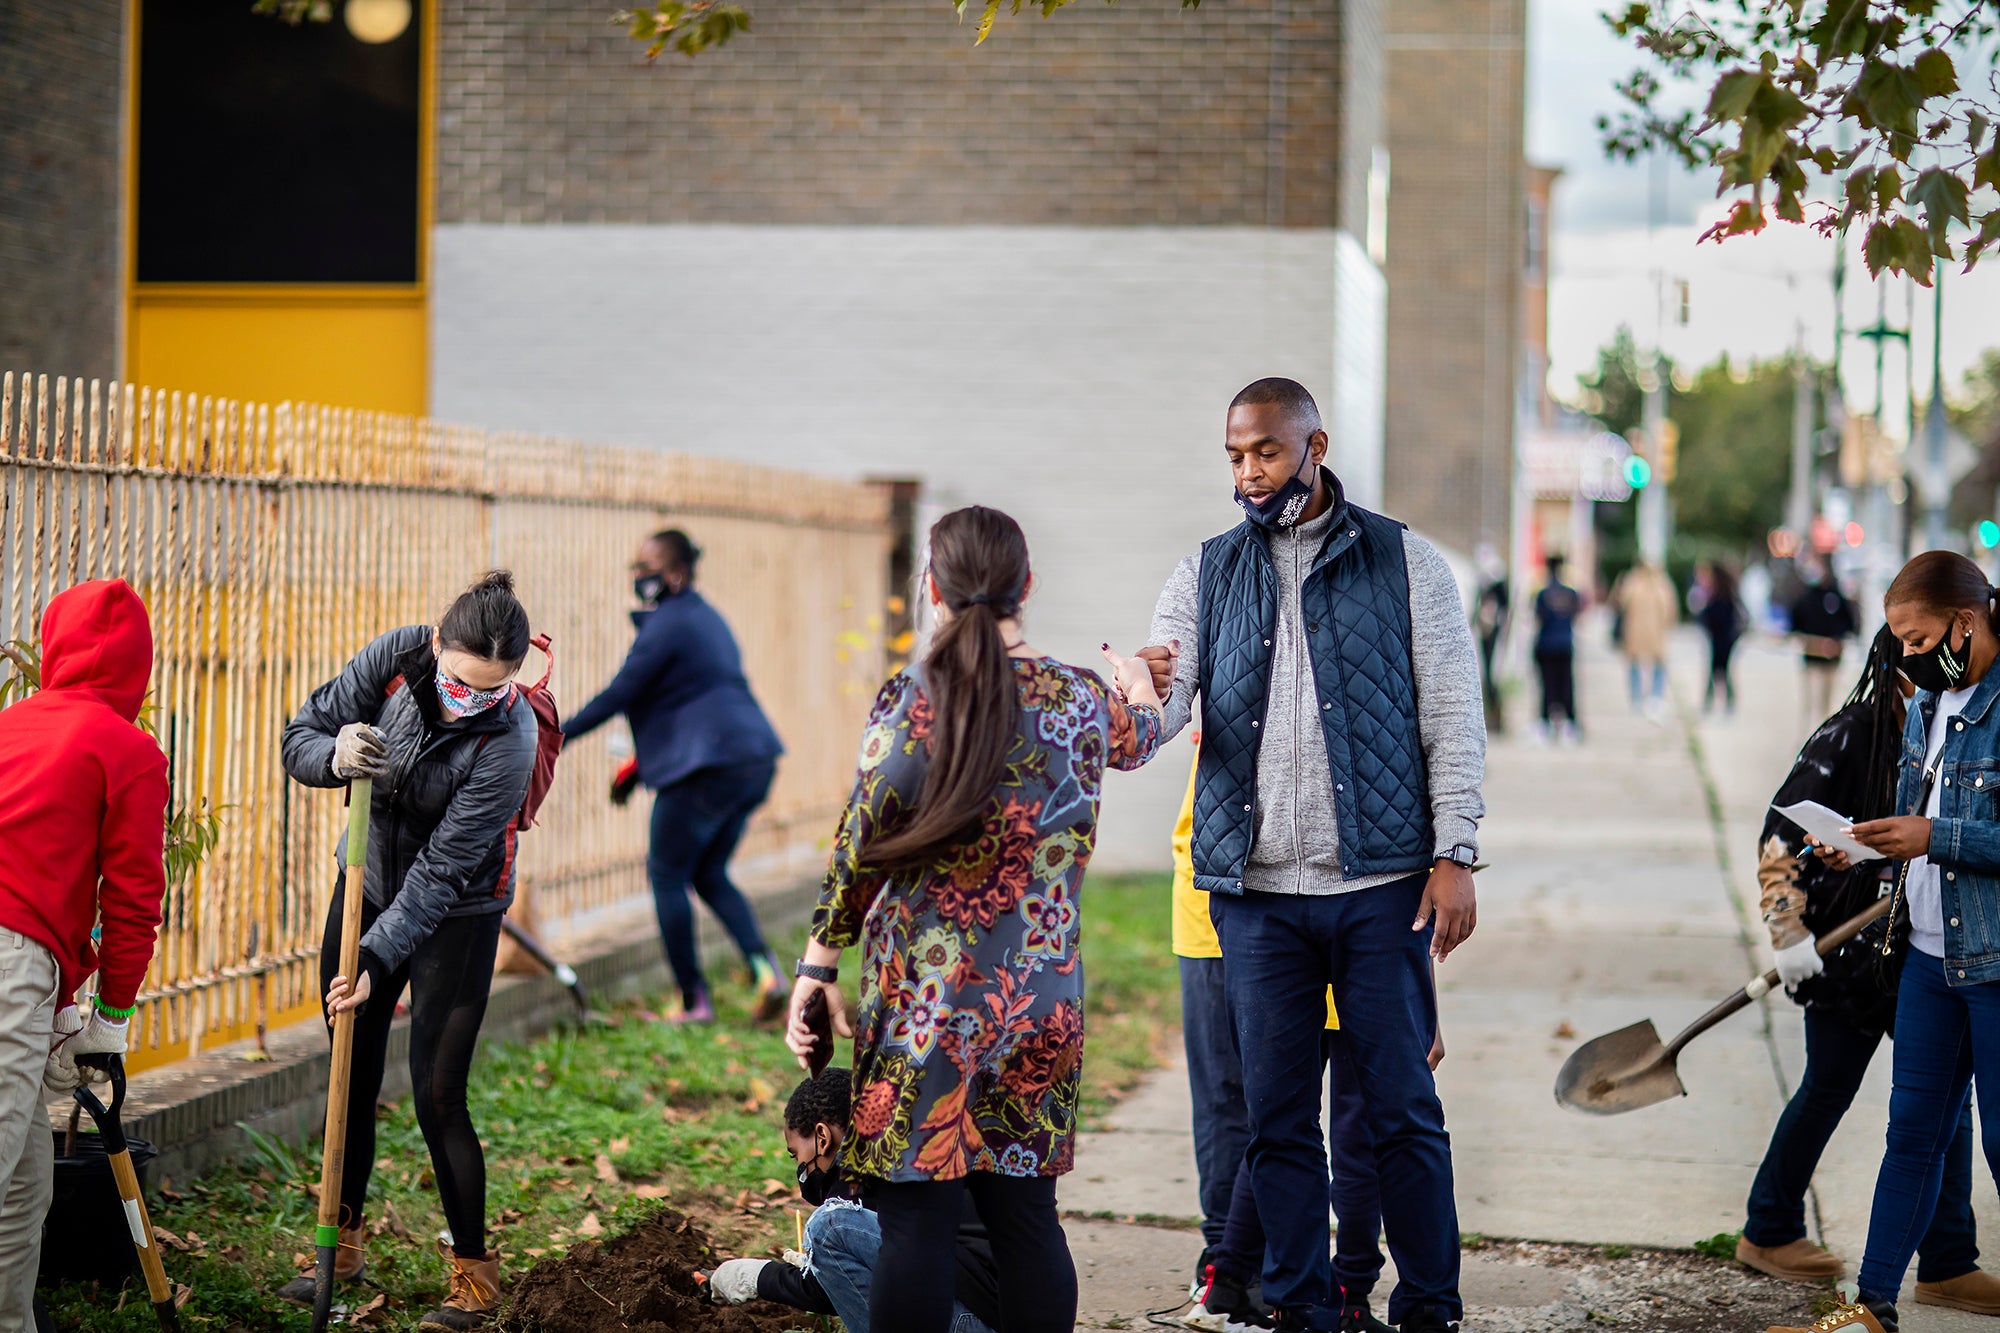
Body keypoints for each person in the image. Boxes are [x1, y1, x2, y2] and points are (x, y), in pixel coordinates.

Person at [1130, 377, 1485, 1333]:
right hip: (1253, 897)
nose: (1249, 473)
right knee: (1277, 1122)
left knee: (1402, 1108)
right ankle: (1297, 1309)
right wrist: (1130, 697)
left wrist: (1455, 849)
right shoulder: (1204, 572)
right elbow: (1157, 719)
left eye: (1268, 452)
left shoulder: (1406, 561)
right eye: (1237, 456)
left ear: (1314, 446)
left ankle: (1428, 1307)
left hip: (1381, 885)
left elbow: (1452, 713)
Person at [784, 505, 1164, 1333]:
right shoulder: (1079, 699)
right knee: (1028, 1221)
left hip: (926, 1011)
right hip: (1040, 1006)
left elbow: (859, 843)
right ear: (1026, 585)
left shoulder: (913, 700)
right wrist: (1132, 679)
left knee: (917, 1222)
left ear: (932, 588)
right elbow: (1142, 734)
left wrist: (816, 966)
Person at [277, 572, 542, 1330]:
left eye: (489, 690)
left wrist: (374, 959)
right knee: (348, 1068)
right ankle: (342, 1242)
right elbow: (300, 734)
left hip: (458, 910)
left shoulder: (510, 737)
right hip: (362, 878)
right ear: (435, 643)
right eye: (460, 680)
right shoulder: (396, 657)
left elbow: (444, 869)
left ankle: (474, 1273)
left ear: (513, 680)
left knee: (436, 1089)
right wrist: (336, 753)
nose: (470, 698)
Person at [1771, 552, 2000, 1333]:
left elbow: (1946, 830)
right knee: (1914, 1136)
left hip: (1995, 959)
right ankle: (1871, 1309)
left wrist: (1934, 833)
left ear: (1966, 621)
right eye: (1898, 638)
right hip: (1927, 957)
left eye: (1918, 635)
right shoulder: (1926, 706)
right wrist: (1864, 846)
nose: (1905, 653)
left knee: (1997, 1138)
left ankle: (1938, 1267)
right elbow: (1910, 823)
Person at [1172, 748, 1418, 1333]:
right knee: (1252, 1107)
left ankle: (1313, 1284)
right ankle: (1233, 1269)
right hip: (1234, 899)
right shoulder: (1210, 654)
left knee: (1328, 1115)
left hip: (1344, 902)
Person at [0, 581, 170, 1333]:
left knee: (24, 1186)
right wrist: (110, 1018)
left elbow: (32, 875)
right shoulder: (129, 750)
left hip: (23, 958)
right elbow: (132, 901)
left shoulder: (11, 724)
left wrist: (63, 988)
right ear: (139, 668)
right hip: (12, 963)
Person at [564, 530, 789, 1023]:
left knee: (666, 874)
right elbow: (692, 699)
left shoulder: (667, 624)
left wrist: (552, 734)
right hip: (751, 760)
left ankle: (694, 1001)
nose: (637, 575)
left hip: (707, 768)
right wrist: (639, 766)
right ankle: (767, 973)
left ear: (675, 574)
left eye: (647, 567)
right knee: (707, 873)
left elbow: (619, 693)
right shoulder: (704, 618)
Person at [702, 1067, 1002, 1331]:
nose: (800, 1166)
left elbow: (821, 1289)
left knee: (828, 1227)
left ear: (822, 1137)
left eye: (797, 1154)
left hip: (974, 1321)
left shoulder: (857, 1176)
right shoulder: (911, 1142)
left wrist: (750, 1275)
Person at [1790, 557, 1858, 733]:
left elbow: (1848, 623)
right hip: (1812, 658)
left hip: (1831, 660)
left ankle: (1825, 734)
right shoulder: (1804, 597)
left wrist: (1836, 641)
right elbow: (1795, 626)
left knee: (1827, 703)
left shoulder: (1835, 596)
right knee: (1810, 701)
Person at [1609, 559, 1676, 720]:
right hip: (1655, 632)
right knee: (1658, 664)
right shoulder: (1662, 585)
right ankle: (1655, 696)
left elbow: (1618, 603)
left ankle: (1637, 698)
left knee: (1634, 665)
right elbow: (1670, 610)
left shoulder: (1632, 584)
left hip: (1634, 631)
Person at [1533, 554, 1583, 744]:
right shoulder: (1571, 594)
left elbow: (1538, 617)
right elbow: (1576, 616)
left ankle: (1545, 723)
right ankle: (1569, 725)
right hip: (1565, 643)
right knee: (1566, 686)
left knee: (1547, 686)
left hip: (1546, 644)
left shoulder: (1543, 594)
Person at [1694, 561, 1745, 715]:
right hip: (1721, 639)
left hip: (1722, 640)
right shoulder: (1721, 594)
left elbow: (1713, 616)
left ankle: (1718, 702)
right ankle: (1719, 702)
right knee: (1720, 672)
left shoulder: (1721, 596)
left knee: (1720, 671)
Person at [1472, 544, 1509, 734]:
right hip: (1485, 633)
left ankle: (1497, 718)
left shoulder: (1498, 584)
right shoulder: (1483, 582)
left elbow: (1503, 610)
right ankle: (1490, 718)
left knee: (1493, 675)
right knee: (1485, 676)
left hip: (1495, 633)